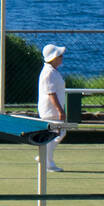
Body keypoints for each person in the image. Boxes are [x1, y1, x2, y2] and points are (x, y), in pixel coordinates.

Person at [37, 43, 67, 172]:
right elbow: (51, 94)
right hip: (50, 111)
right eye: (60, 55)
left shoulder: (52, 71)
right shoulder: (49, 73)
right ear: (54, 57)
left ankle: (43, 157)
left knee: (60, 133)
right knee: (55, 134)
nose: (62, 57)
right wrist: (60, 111)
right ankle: (47, 163)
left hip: (52, 110)